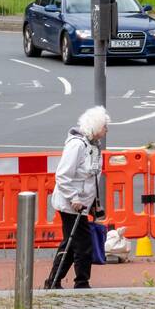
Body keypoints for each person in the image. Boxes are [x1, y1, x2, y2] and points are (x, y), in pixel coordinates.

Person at [45, 106, 109, 289]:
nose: (107, 130)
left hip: (82, 204)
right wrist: (74, 198)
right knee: (82, 243)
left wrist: (95, 203)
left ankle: (54, 281)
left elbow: (93, 178)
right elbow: (63, 175)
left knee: (73, 243)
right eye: (104, 126)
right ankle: (81, 282)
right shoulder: (77, 145)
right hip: (70, 204)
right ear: (96, 127)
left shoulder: (94, 147)